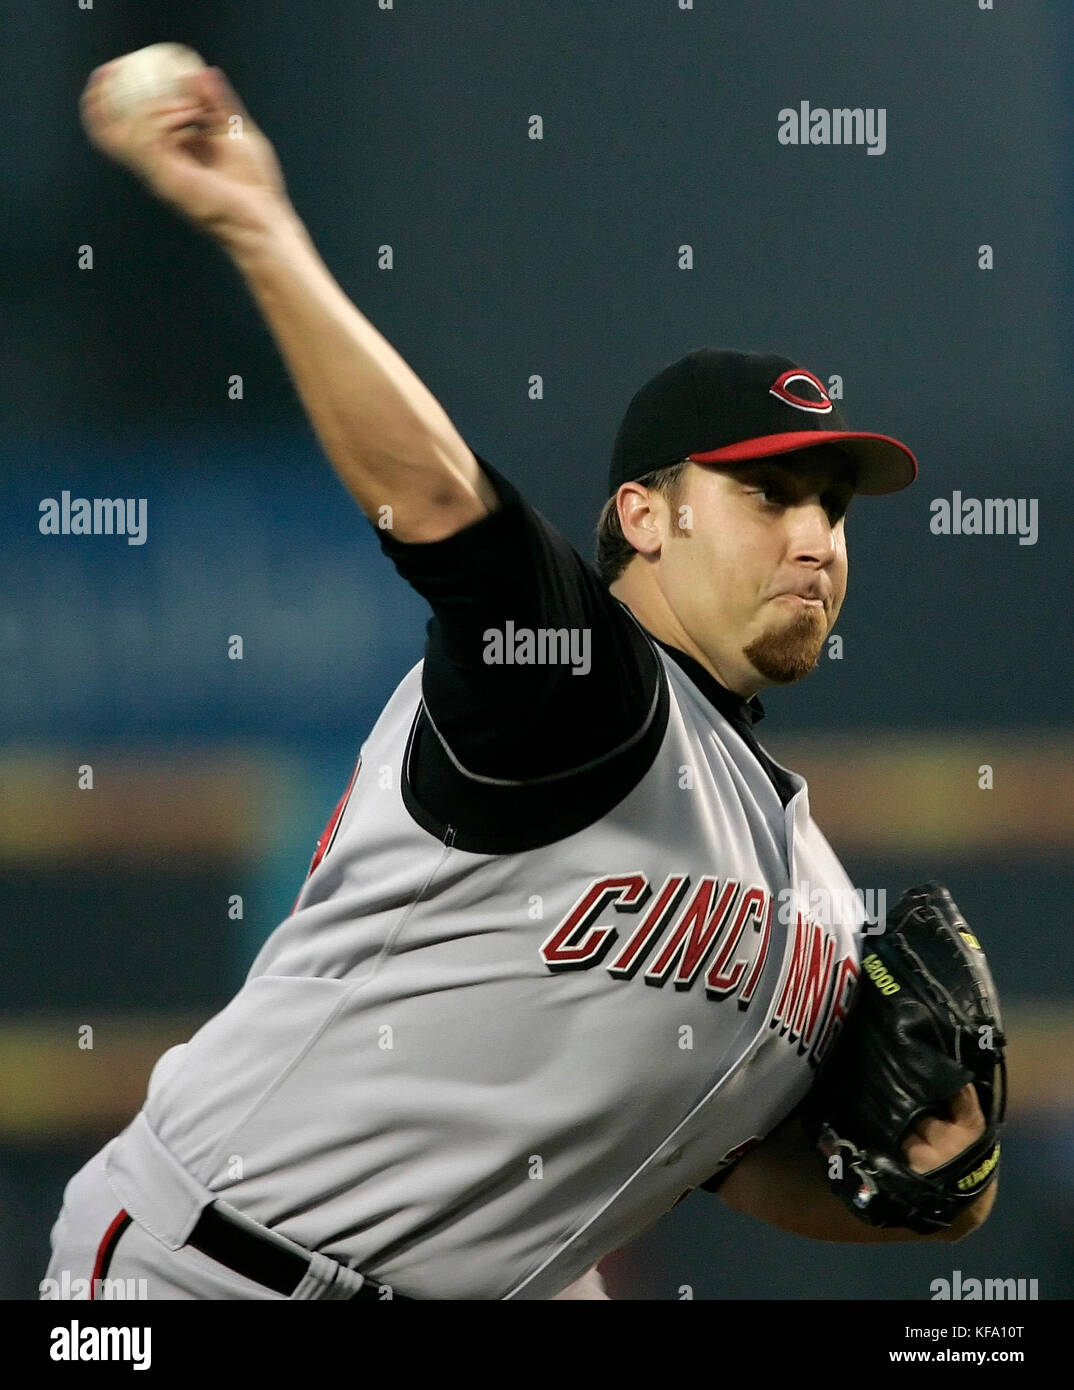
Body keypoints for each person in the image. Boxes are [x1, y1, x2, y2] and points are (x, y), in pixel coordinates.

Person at [46, 60, 996, 1302]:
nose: (816, 536)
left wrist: (941, 1189)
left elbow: (719, 1166)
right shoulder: (579, 687)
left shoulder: (811, 883)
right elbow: (438, 500)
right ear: (645, 517)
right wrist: (258, 225)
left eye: (833, 506)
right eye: (768, 494)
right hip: (198, 1277)